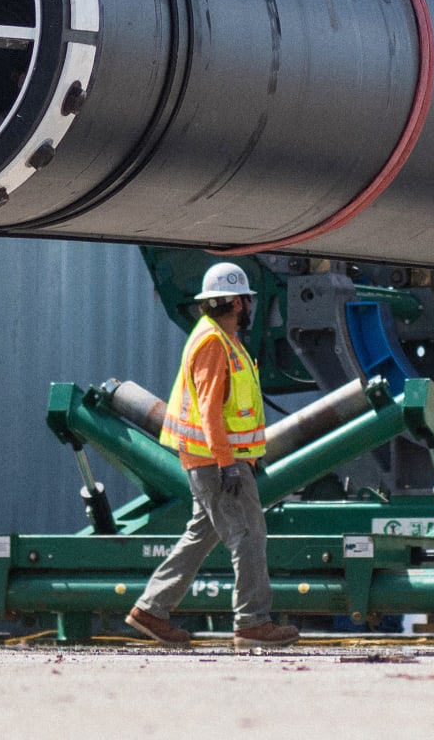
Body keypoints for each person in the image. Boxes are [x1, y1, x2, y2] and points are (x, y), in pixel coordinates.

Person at [125, 262, 300, 651]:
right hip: (217, 461)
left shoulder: (221, 337)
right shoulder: (213, 342)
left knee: (200, 536)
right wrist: (227, 463)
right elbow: (209, 411)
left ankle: (152, 610)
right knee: (249, 535)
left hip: (217, 459)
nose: (250, 306)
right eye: (247, 300)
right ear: (237, 301)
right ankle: (253, 622)